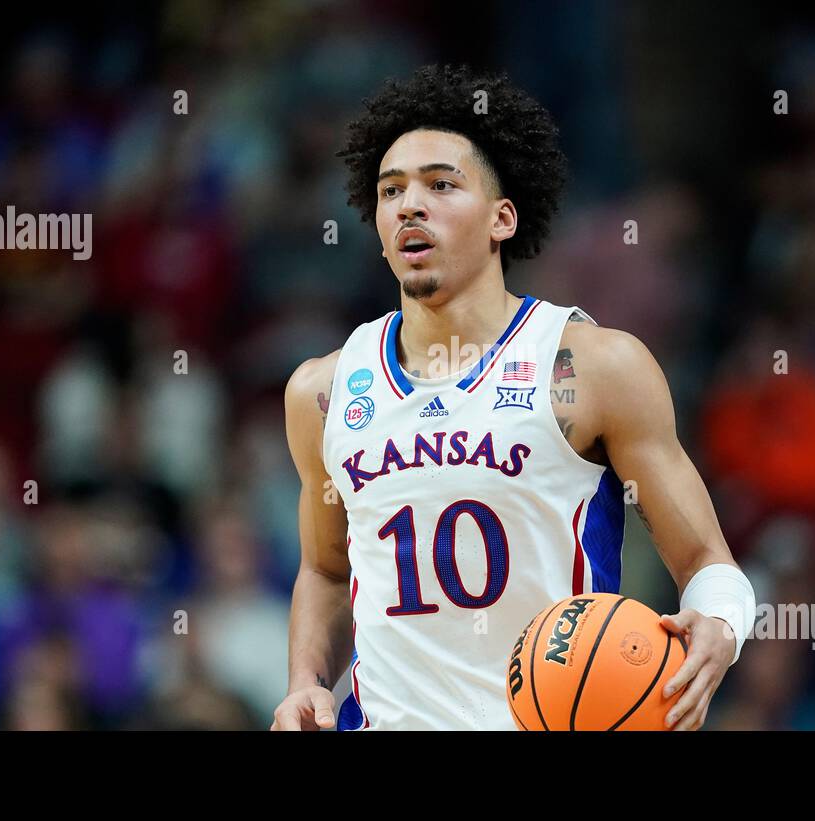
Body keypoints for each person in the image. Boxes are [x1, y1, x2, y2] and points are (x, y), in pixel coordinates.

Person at [274, 65, 755, 730]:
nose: (411, 204)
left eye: (441, 184)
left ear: (503, 217)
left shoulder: (593, 366)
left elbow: (707, 559)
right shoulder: (323, 390)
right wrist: (305, 680)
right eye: (392, 191)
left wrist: (721, 623)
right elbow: (325, 571)